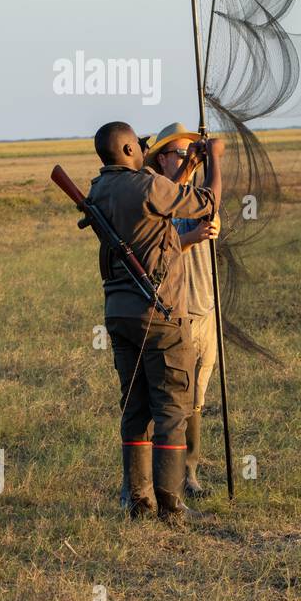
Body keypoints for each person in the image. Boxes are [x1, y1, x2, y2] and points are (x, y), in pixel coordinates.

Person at [88, 121, 223, 521]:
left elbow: (157, 211)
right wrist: (215, 159)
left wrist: (187, 166)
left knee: (135, 408)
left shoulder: (99, 189)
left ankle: (138, 500)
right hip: (160, 314)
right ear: (129, 150)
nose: (144, 149)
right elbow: (208, 202)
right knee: (172, 410)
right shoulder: (146, 186)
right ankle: (171, 504)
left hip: (119, 314)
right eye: (139, 145)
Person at [146, 122, 219, 498]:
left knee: (198, 399)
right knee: (174, 397)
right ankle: (164, 477)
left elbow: (211, 209)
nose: (188, 158)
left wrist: (207, 164)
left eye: (191, 153)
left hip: (205, 307)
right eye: (180, 153)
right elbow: (157, 251)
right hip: (175, 313)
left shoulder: (195, 197)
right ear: (162, 159)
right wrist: (188, 239)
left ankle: (190, 471)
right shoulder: (153, 199)